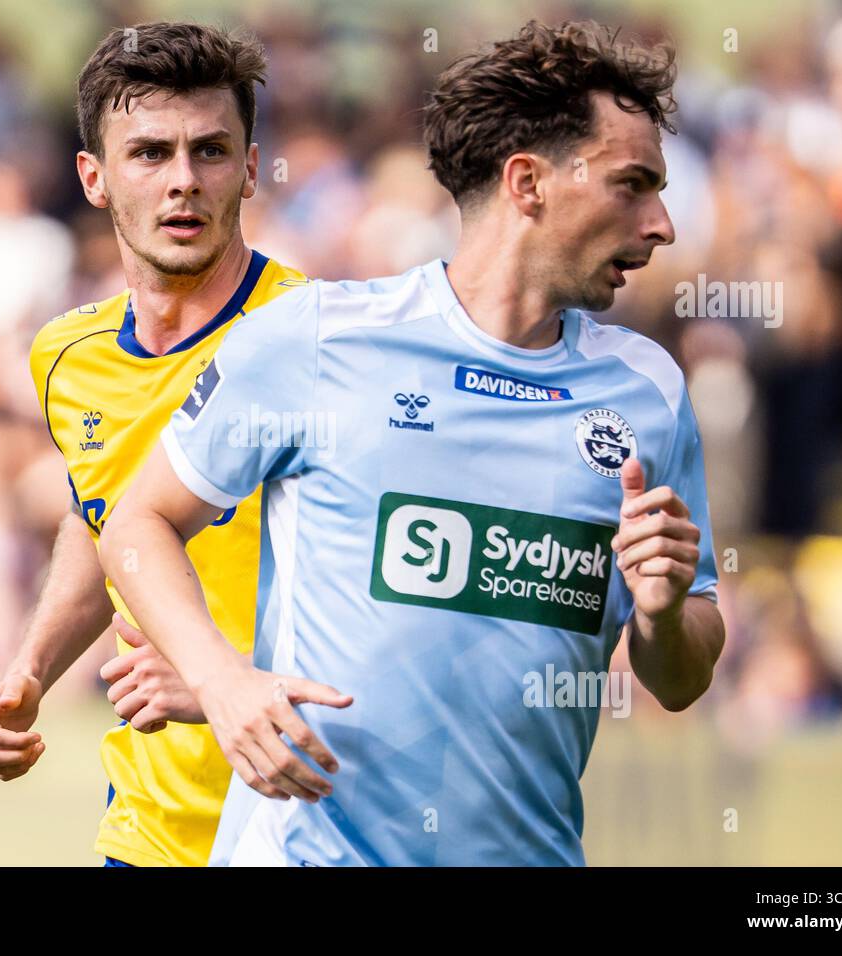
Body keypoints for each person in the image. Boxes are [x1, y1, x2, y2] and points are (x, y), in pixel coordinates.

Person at [99, 20, 726, 865]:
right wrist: (222, 682)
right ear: (528, 183)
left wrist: (658, 615)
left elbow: (681, 677)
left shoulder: (647, 391)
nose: (662, 225)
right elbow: (135, 523)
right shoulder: (320, 340)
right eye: (634, 184)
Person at [0, 21, 309, 868]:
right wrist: (31, 671)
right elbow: (107, 517)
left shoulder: (317, 338)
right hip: (148, 833)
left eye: (212, 151)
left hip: (308, 823)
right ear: (95, 178)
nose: (183, 182)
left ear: (252, 169)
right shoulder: (66, 357)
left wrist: (219, 683)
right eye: (150, 154)